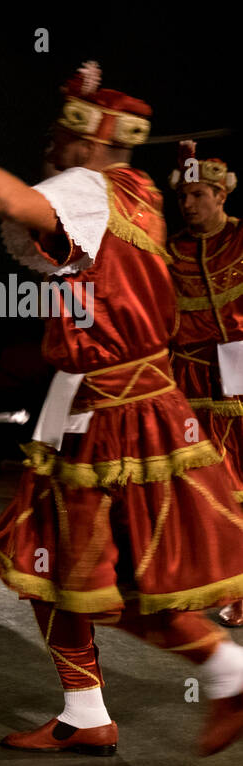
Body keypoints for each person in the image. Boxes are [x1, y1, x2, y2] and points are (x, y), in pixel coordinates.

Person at [0, 60, 243, 755]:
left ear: (90, 141)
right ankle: (88, 711)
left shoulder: (92, 187)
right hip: (101, 402)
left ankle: (228, 670)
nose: (50, 144)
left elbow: (9, 201)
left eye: (61, 135)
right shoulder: (138, 193)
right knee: (52, 566)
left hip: (115, 411)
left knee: (92, 574)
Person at [166, 143, 243, 626]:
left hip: (241, 366)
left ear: (220, 195)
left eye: (198, 194)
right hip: (190, 373)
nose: (189, 204)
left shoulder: (242, 237)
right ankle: (205, 577)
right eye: (183, 196)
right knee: (198, 479)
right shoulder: (171, 249)